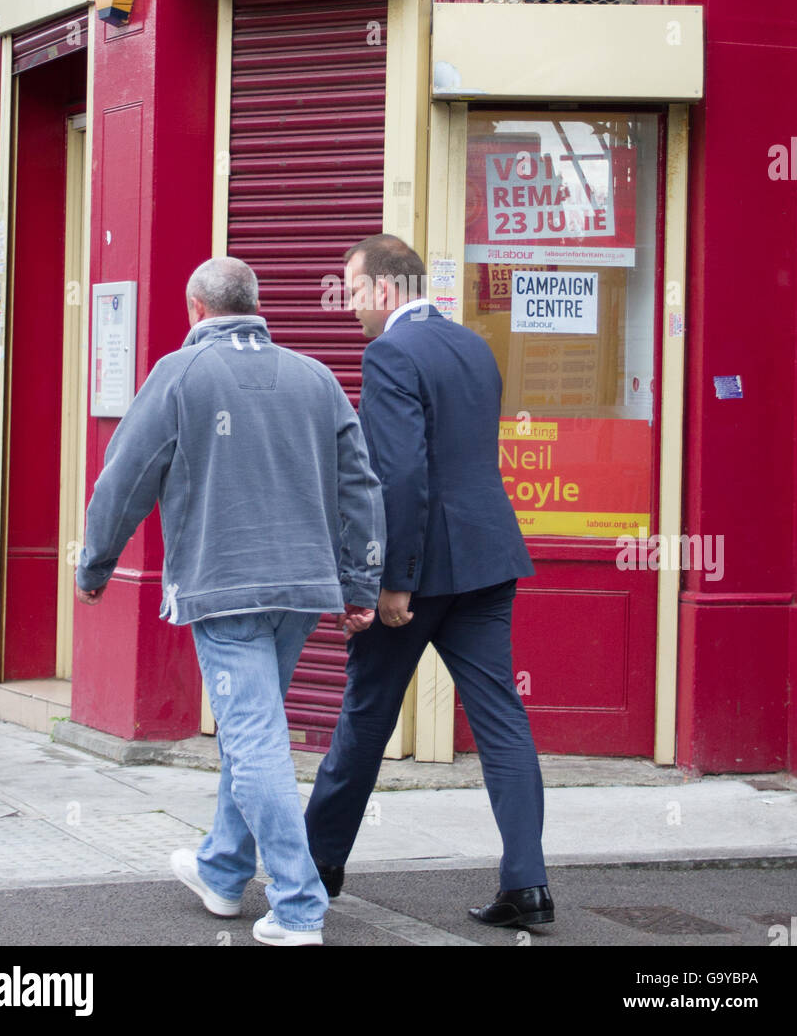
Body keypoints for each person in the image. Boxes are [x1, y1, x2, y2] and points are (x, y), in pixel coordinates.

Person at [75, 257, 385, 946]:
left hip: (224, 588)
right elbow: (361, 487)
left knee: (252, 738)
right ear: (256, 304)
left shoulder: (179, 376)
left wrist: (95, 564)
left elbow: (123, 479)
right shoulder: (316, 377)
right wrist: (360, 584)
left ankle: (299, 904)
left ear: (195, 308)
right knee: (258, 729)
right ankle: (221, 870)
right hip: (302, 590)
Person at [305, 234, 553, 929]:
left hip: (423, 572)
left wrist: (392, 582)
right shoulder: (476, 346)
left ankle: (316, 867)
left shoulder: (389, 353)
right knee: (502, 717)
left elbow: (402, 476)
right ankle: (527, 884)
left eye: (353, 294)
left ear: (386, 290)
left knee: (365, 715)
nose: (350, 309)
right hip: (489, 559)